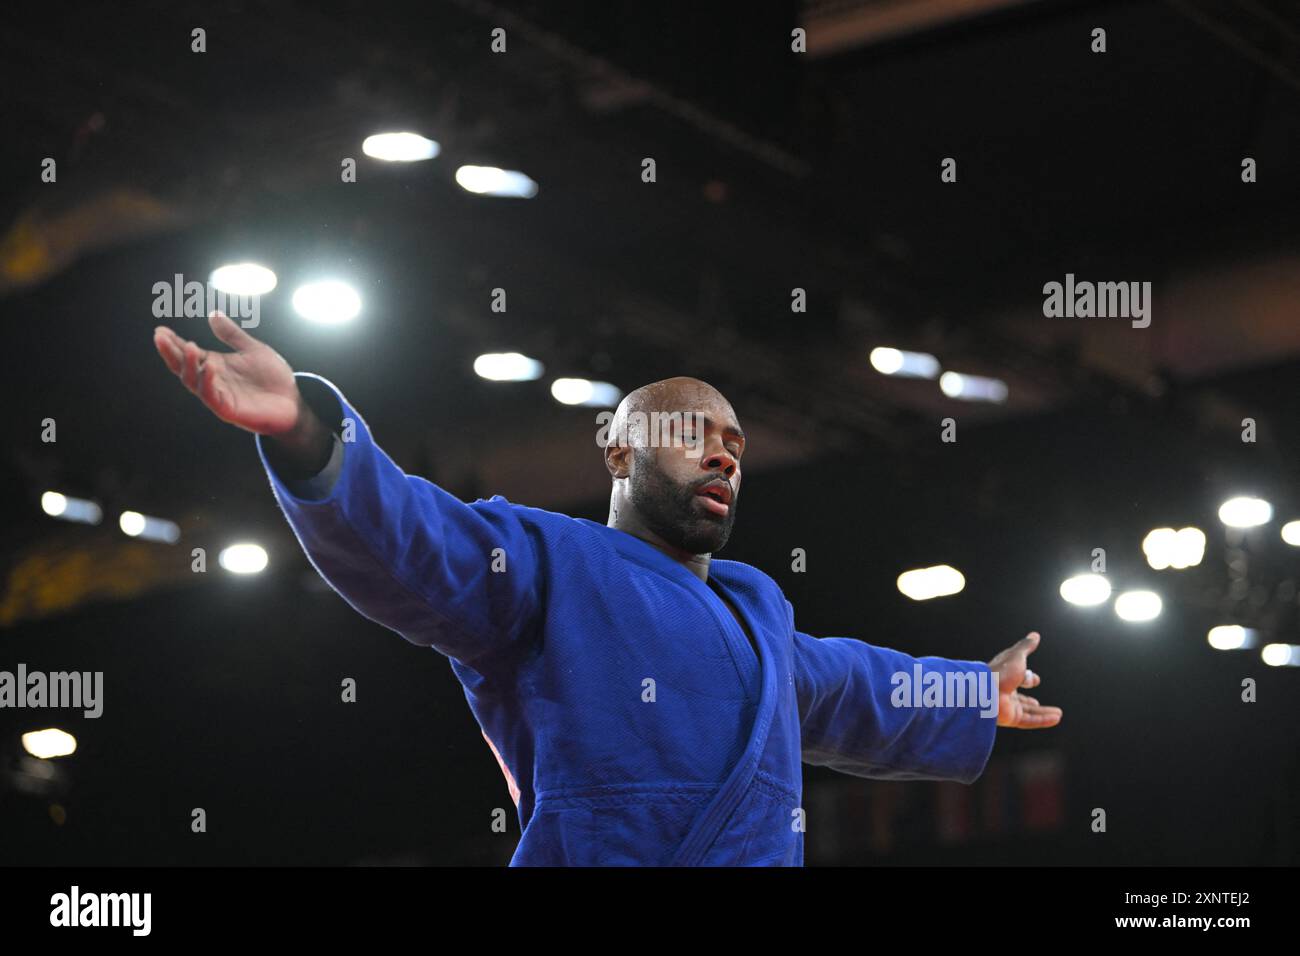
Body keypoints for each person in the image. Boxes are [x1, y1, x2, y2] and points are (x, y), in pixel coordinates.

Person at [153, 311, 1062, 866]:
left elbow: (859, 688)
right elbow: (416, 541)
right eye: (692, 431)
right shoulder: (551, 561)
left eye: (737, 446)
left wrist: (967, 692)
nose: (722, 454)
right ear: (620, 450)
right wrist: (311, 433)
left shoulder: (759, 622)